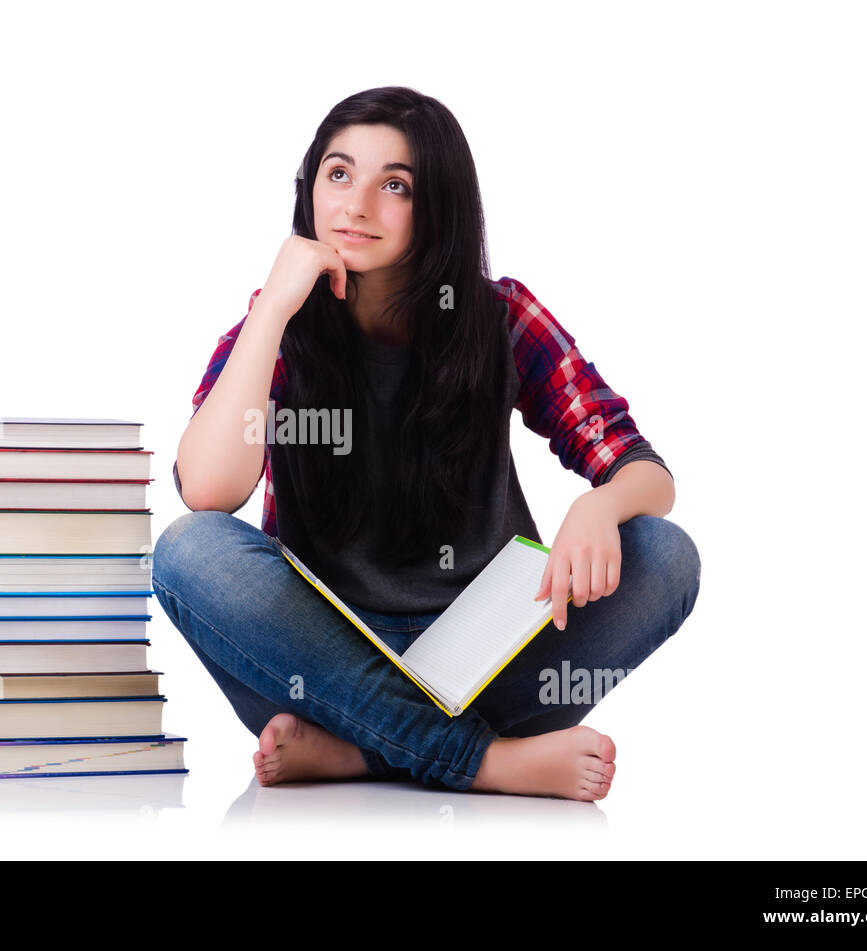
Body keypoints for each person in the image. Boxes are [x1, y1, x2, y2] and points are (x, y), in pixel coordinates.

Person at [154, 86, 700, 801]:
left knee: (665, 552)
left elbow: (645, 471)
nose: (356, 205)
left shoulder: (499, 316)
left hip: (487, 660)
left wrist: (600, 505)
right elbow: (207, 489)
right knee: (189, 548)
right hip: (320, 660)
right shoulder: (281, 324)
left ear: (438, 203)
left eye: (396, 185)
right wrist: (275, 306)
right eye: (339, 174)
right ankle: (487, 763)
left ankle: (361, 753)